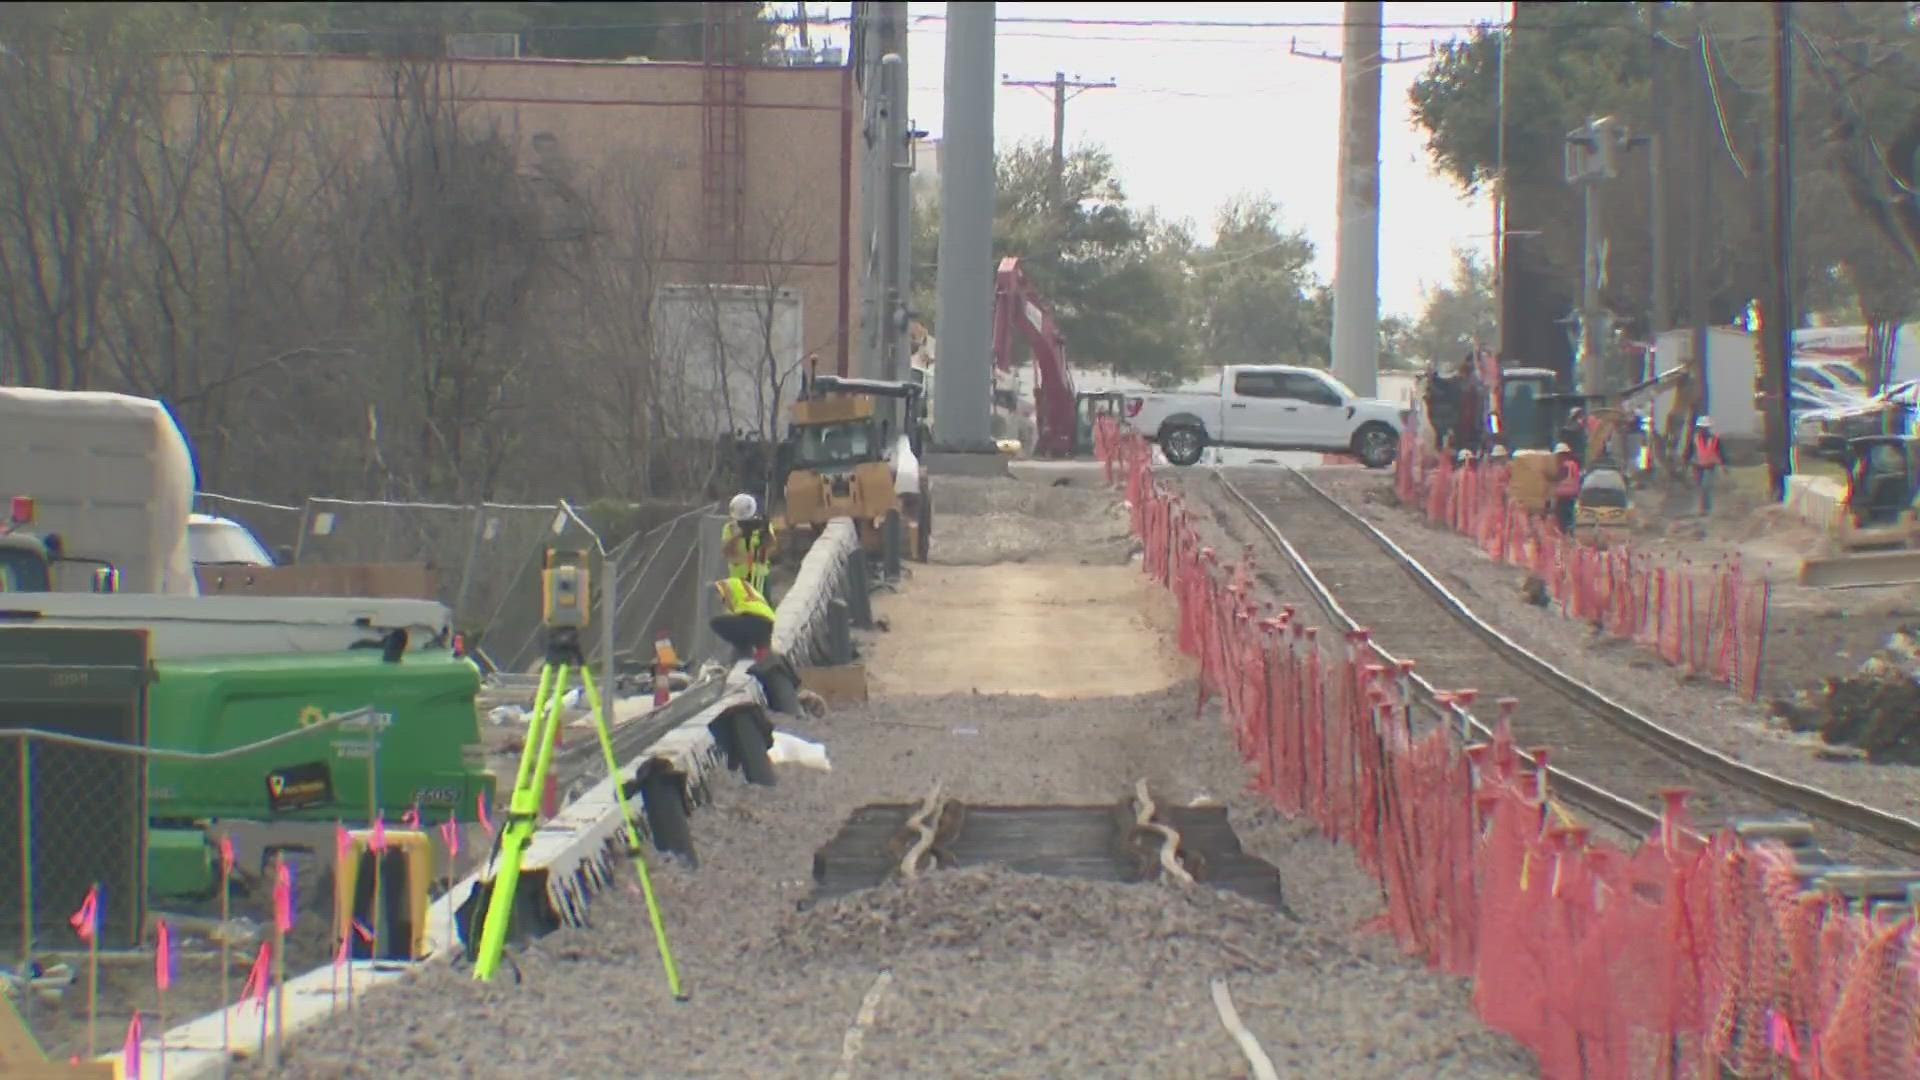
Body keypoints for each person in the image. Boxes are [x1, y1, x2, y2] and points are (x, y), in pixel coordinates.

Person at [710, 576, 777, 662]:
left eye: (717, 597)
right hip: (768, 622)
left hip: (754, 618)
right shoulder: (740, 586)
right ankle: (761, 653)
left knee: (716, 623)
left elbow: (730, 614)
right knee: (762, 648)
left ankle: (744, 649)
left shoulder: (724, 586)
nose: (719, 601)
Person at [722, 493, 777, 596]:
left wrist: (765, 531)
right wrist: (739, 535)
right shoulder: (729, 528)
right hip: (739, 579)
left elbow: (771, 546)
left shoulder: (761, 525)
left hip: (760, 577)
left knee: (763, 609)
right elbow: (728, 553)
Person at [1692, 416, 1723, 515]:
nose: (1703, 430)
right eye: (1701, 428)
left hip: (1710, 466)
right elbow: (1690, 451)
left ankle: (1705, 509)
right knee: (1700, 487)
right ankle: (1702, 507)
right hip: (1698, 466)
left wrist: (1723, 464)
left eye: (1705, 428)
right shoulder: (1695, 438)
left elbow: (1720, 452)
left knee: (1706, 486)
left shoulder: (1714, 439)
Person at [1552, 442, 1582, 534]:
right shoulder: (1574, 464)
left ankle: (1565, 533)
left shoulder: (1563, 466)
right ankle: (1570, 531)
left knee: (1561, 516)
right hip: (1573, 494)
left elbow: (1558, 478)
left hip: (1563, 494)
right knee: (1570, 515)